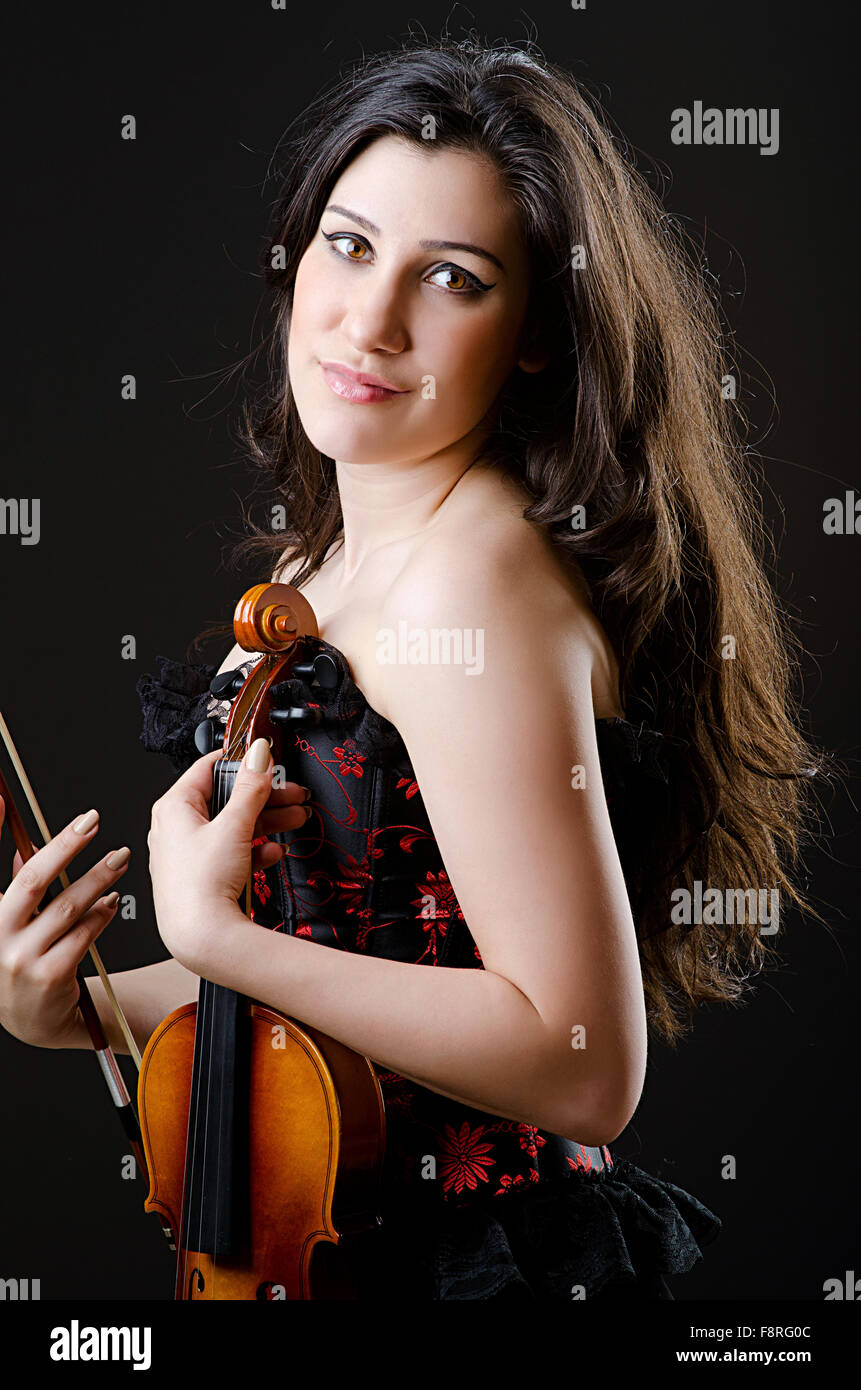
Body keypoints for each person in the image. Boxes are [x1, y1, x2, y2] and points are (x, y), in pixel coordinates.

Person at [0, 37, 827, 1301]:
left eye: (451, 277)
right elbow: (356, 982)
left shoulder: (473, 583)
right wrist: (82, 1005)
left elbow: (580, 1059)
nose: (371, 320)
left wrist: (218, 937)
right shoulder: (325, 563)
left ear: (538, 333)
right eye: (347, 244)